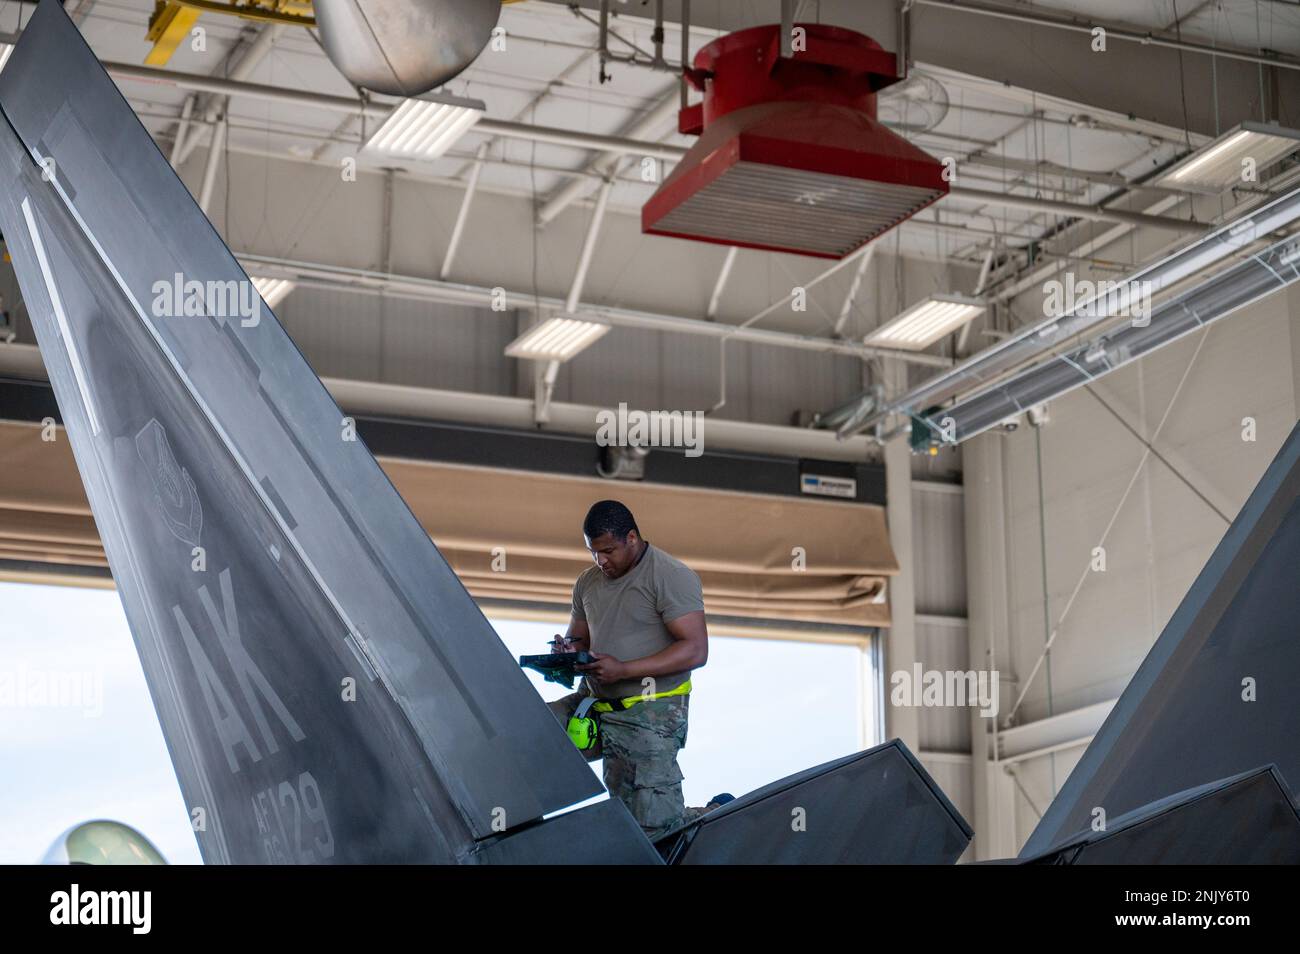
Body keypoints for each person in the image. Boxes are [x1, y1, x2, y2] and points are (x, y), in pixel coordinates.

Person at [546, 499, 729, 841]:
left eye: (608, 550)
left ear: (631, 538)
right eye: (593, 552)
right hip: (592, 704)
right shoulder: (588, 582)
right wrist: (569, 651)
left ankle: (718, 811)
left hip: (647, 714)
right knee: (526, 735)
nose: (600, 560)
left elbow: (695, 649)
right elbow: (579, 638)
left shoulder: (671, 577)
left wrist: (624, 670)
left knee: (651, 834)